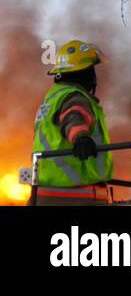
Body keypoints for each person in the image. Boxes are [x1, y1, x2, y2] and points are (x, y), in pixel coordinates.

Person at [32, 40, 114, 205]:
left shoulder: (51, 99)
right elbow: (74, 117)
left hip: (44, 194)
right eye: (91, 70)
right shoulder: (74, 96)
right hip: (75, 197)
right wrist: (81, 138)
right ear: (83, 72)